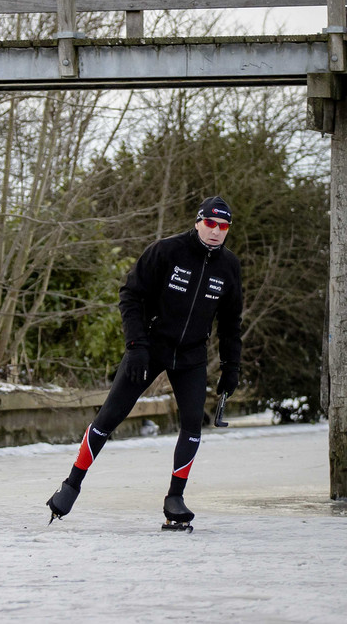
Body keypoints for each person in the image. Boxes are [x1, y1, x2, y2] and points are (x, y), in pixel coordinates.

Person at [47, 197, 244, 530]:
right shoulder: (166, 251)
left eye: (223, 226)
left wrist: (231, 367)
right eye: (210, 223)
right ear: (198, 222)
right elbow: (130, 295)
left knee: (193, 424)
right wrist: (136, 345)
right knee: (110, 415)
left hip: (192, 356)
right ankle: (71, 485)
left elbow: (230, 322)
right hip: (150, 347)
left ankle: (175, 498)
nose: (215, 231)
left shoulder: (229, 266)